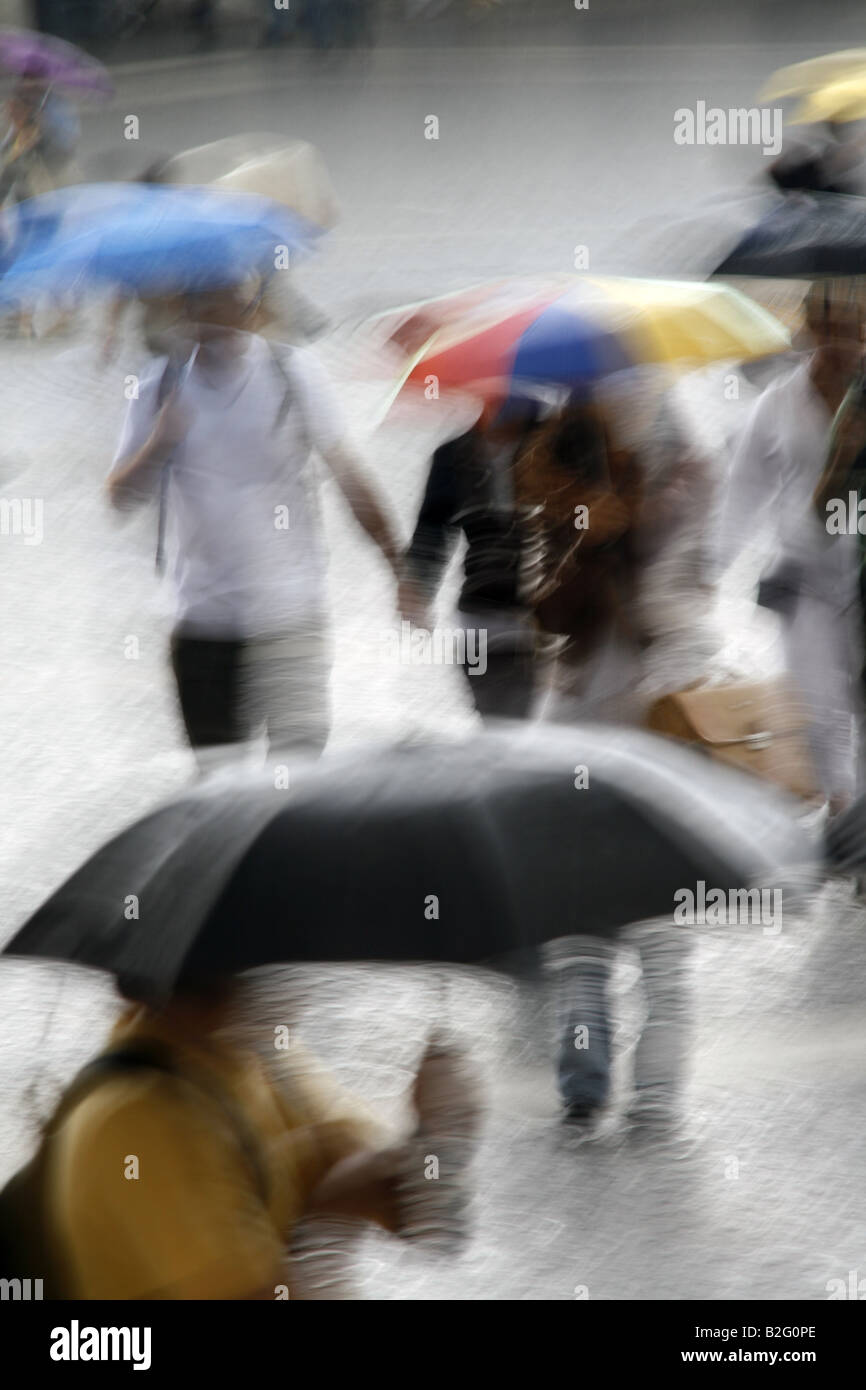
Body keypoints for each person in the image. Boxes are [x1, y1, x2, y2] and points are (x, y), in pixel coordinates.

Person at [514, 389, 715, 1131]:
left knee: (645, 937)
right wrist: (586, 534)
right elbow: (546, 609)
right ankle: (592, 1085)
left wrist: (649, 523)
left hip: (642, 740)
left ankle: (641, 1093)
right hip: (589, 739)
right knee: (592, 937)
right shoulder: (555, 485)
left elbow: (688, 611)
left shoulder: (671, 502)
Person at [108, 278, 409, 766]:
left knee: (298, 776)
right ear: (186, 308)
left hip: (291, 618)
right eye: (207, 300)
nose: (222, 314)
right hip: (203, 619)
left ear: (251, 306)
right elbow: (120, 498)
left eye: (234, 301)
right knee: (219, 784)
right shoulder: (157, 385)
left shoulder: (293, 372)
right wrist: (159, 441)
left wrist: (398, 567)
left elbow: (348, 474)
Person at [44, 973, 480, 1298]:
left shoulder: (260, 1058)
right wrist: (330, 1212)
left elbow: (423, 1217)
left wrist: (438, 1137)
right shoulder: (138, 1120)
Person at [716, 282, 866, 815]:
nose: (844, 342)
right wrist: (715, 566)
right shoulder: (777, 401)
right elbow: (745, 488)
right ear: (811, 329)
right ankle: (843, 811)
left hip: (861, 571)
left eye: (853, 328)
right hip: (802, 574)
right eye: (831, 328)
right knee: (819, 705)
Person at [401, 397, 547, 721]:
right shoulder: (453, 456)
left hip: (546, 625)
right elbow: (432, 534)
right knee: (500, 732)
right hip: (482, 623)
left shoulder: (554, 445)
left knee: (544, 739)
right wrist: (417, 593)